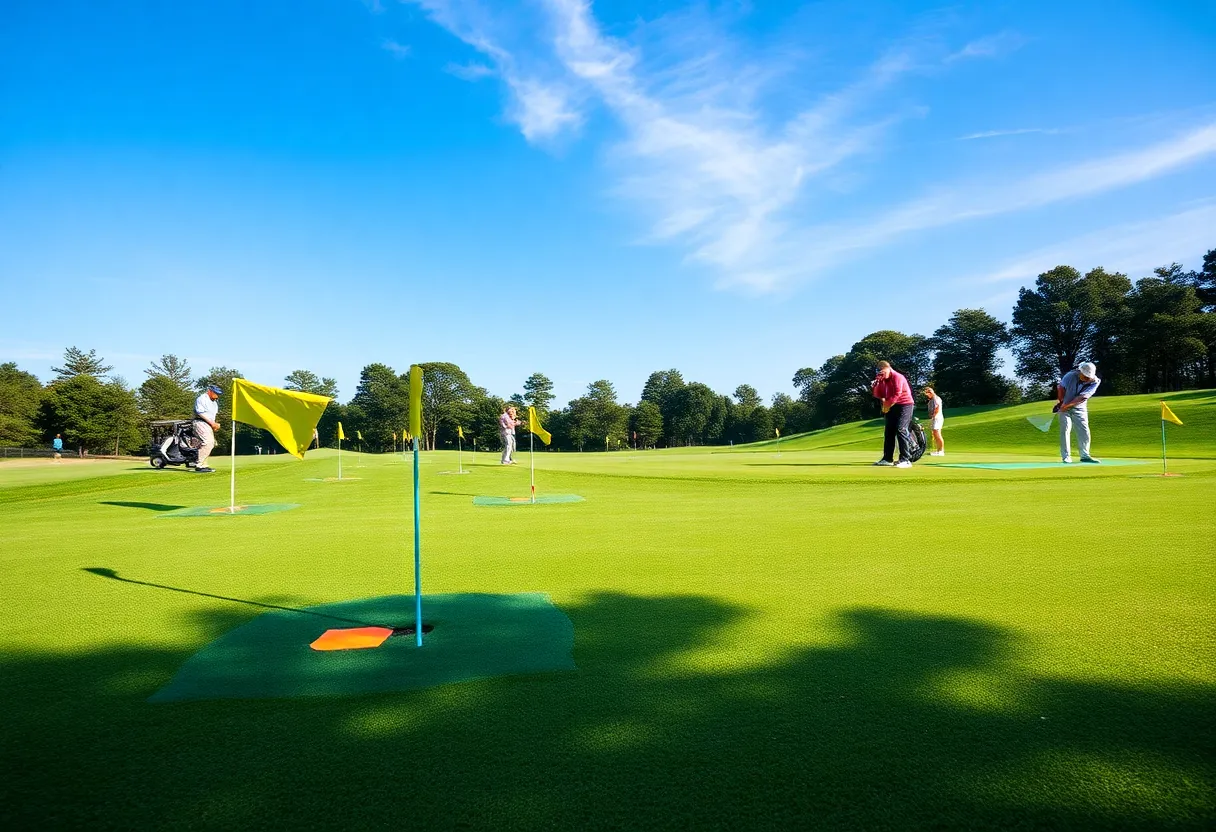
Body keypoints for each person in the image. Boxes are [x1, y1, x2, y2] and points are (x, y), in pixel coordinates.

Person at [871, 361, 916, 468]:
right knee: (889, 431)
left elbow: (897, 393)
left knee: (901, 429)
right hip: (892, 406)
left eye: (883, 372)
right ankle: (887, 459)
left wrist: (886, 405)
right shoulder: (882, 380)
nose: (882, 374)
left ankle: (905, 459)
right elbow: (878, 395)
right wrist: (877, 384)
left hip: (905, 404)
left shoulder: (897, 377)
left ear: (888, 369)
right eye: (880, 373)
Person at [1055, 361, 1101, 463]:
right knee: (1065, 429)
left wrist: (1065, 406)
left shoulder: (1095, 381)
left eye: (1088, 377)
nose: (1086, 378)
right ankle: (1066, 457)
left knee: (1084, 430)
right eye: (1084, 376)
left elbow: (1082, 398)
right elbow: (1060, 387)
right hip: (1065, 405)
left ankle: (1085, 456)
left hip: (1080, 407)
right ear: (1080, 371)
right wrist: (1061, 402)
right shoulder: (1070, 376)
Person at [193, 384, 222, 473]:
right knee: (208, 442)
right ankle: (199, 465)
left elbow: (212, 415)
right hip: (200, 422)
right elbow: (200, 413)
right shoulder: (202, 399)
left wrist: (213, 425)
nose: (217, 395)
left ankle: (204, 465)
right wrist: (212, 424)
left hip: (208, 424)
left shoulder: (215, 402)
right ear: (210, 391)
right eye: (216, 393)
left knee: (211, 443)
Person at [923, 387, 944, 456]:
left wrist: (933, 416)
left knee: (937, 433)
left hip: (937, 418)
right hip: (935, 418)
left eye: (928, 393)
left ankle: (941, 451)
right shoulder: (931, 400)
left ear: (931, 392)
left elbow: (937, 407)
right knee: (935, 434)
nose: (927, 395)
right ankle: (938, 450)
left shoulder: (935, 398)